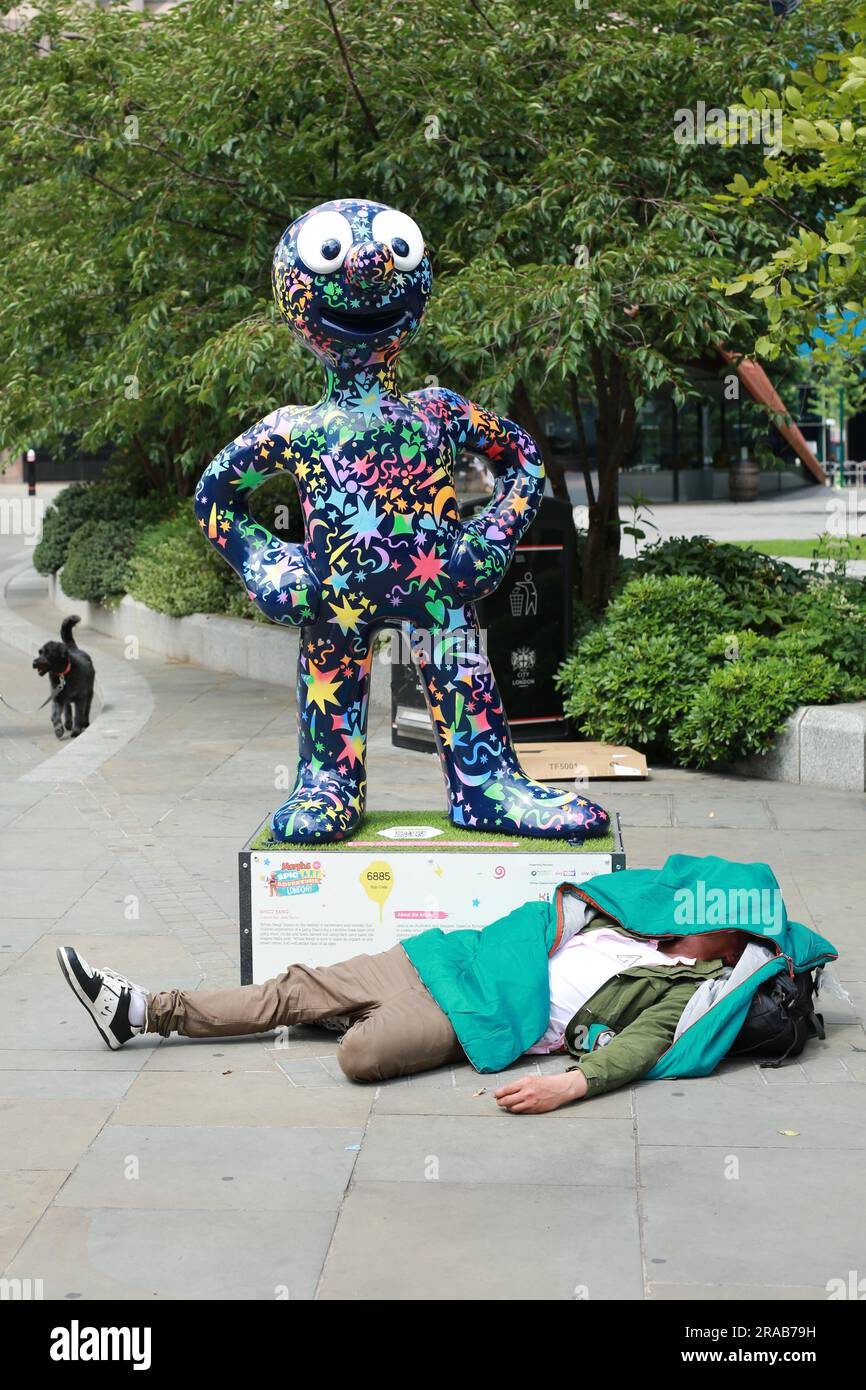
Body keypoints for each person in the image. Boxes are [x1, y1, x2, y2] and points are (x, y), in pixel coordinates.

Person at [55, 892, 751, 1116]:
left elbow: (637, 1048)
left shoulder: (678, 992)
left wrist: (569, 1084)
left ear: (726, 950)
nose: (695, 908)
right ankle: (143, 1010)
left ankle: (344, 1019)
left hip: (473, 1014)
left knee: (360, 1056)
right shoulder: (626, 914)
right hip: (443, 959)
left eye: (715, 913)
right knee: (289, 990)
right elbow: (541, 918)